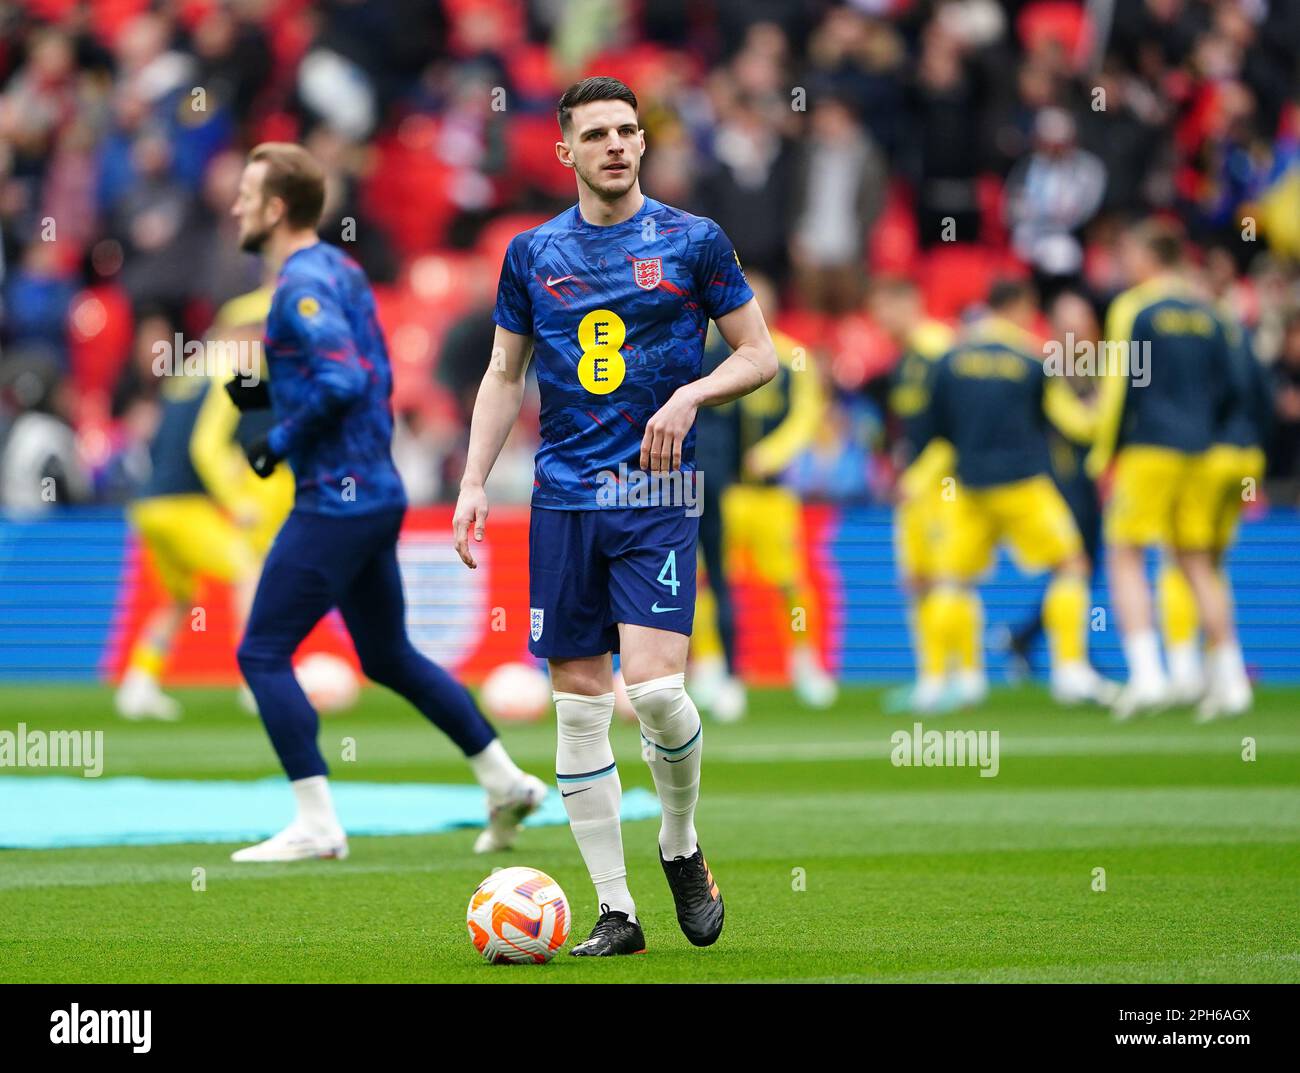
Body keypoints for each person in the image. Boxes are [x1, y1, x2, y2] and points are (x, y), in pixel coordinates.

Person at [453, 78, 777, 956]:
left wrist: (692, 395)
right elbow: (503, 374)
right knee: (579, 708)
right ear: (566, 151)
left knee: (660, 692)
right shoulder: (530, 252)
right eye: (596, 134)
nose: (617, 145)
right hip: (563, 497)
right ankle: (617, 910)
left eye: (628, 131)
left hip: (658, 492)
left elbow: (761, 354)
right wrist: (475, 480)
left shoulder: (694, 241)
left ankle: (679, 840)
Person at [226, 142, 545, 863]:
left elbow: (339, 380)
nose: (237, 205)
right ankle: (503, 778)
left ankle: (316, 819)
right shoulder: (342, 269)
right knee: (390, 654)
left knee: (262, 649)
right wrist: (271, 390)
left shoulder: (299, 284)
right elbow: (362, 375)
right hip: (376, 490)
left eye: (247, 193)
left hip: (335, 498)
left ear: (276, 207)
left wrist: (276, 436)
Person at [919, 279, 1116, 707]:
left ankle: (951, 681)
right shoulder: (1031, 357)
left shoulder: (951, 358)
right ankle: (1070, 671)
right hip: (1025, 484)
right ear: (1021, 306)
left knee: (953, 582)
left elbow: (934, 431)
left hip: (968, 486)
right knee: (1072, 566)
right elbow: (1076, 425)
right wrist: (1106, 404)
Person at [1088, 221, 1248, 721]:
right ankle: (1231, 679)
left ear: (1147, 256)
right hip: (1203, 450)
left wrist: (1102, 454)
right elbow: (1235, 387)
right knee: (1197, 562)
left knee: (1124, 553)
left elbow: (1120, 386)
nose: (1122, 262)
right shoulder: (1211, 312)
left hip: (1149, 447)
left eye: (1127, 252)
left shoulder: (1135, 307)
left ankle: (1148, 676)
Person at [115, 284, 292, 720]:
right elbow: (206, 447)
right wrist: (237, 501)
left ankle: (138, 683)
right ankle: (258, 681)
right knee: (249, 571)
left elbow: (160, 439)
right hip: (182, 507)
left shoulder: (188, 372)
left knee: (178, 598)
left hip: (150, 506)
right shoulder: (231, 373)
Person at [691, 271, 836, 722]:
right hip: (725, 490)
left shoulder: (795, 358)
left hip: (772, 495)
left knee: (788, 580)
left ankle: (804, 659)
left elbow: (808, 414)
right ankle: (711, 665)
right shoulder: (716, 354)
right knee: (711, 580)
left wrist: (773, 454)